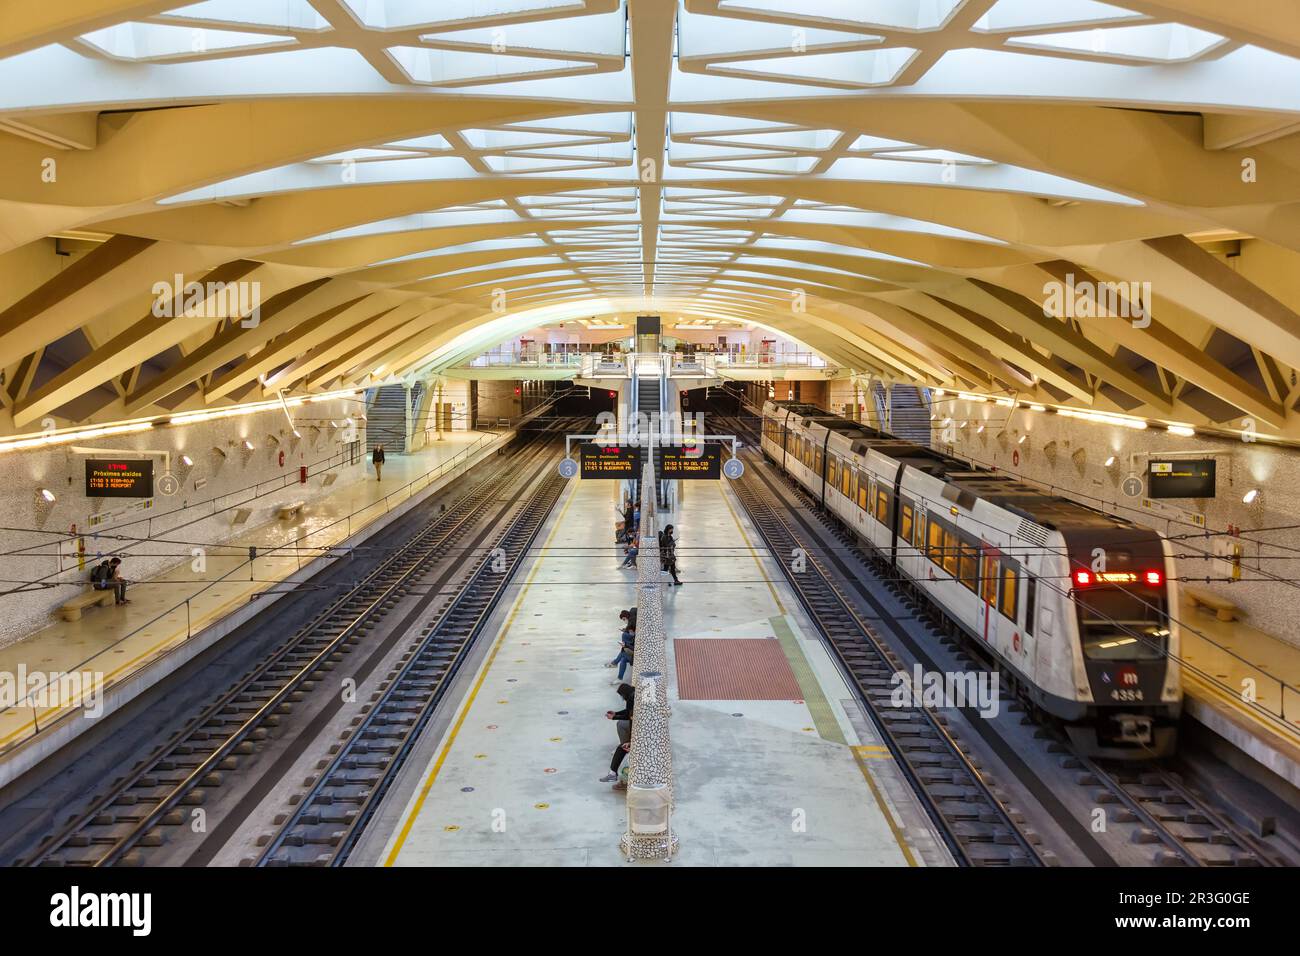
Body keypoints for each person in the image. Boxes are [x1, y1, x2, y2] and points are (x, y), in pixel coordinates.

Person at [600, 683, 635, 783]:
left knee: (621, 748)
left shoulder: (631, 699)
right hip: (641, 729)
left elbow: (630, 717)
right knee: (621, 726)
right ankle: (612, 774)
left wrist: (614, 717)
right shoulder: (633, 694)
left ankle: (613, 774)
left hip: (641, 733)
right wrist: (616, 713)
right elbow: (629, 713)